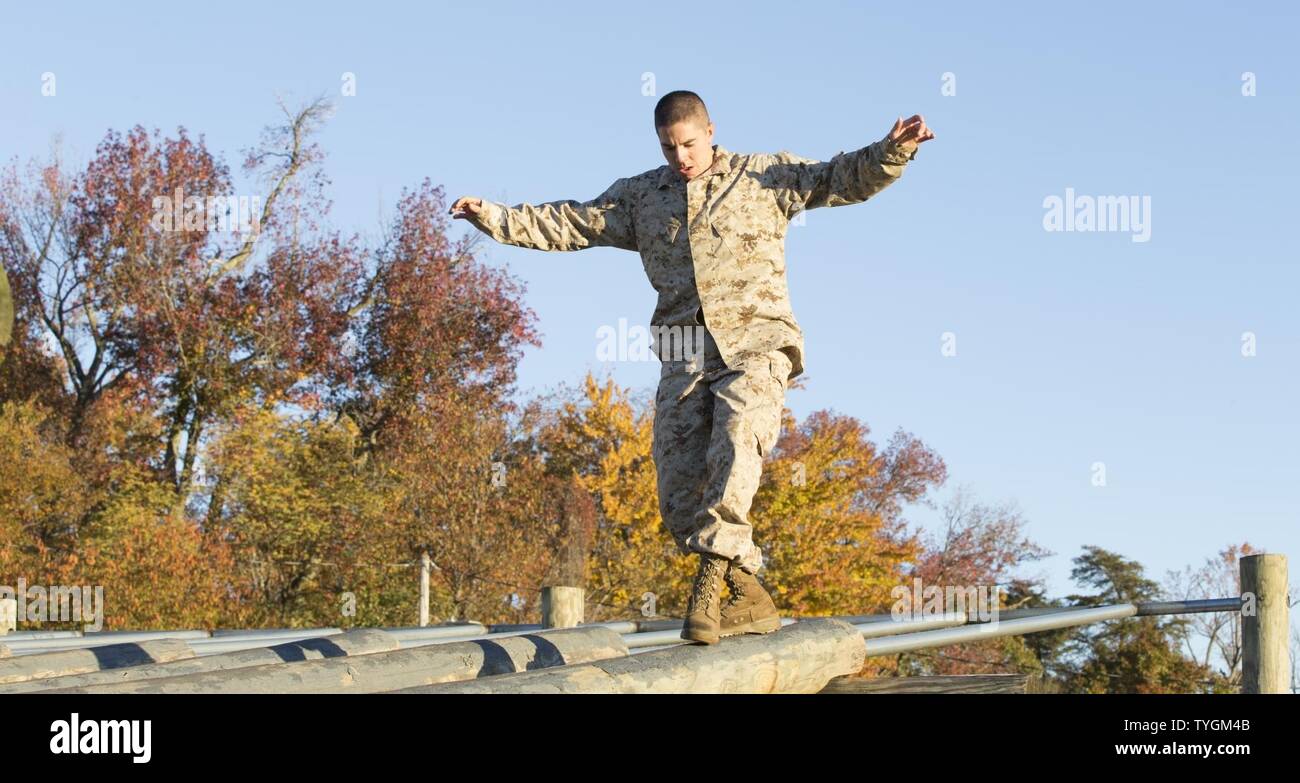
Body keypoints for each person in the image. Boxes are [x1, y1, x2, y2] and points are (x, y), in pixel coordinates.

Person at [451, 90, 934, 644]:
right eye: (668, 146)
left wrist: (893, 151)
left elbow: (839, 177)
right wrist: (493, 217)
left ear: (710, 131)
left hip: (756, 344)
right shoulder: (641, 197)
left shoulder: (763, 176)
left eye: (689, 143)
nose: (681, 156)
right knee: (678, 495)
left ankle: (710, 579)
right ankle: (749, 595)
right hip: (684, 354)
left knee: (735, 442)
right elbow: (571, 222)